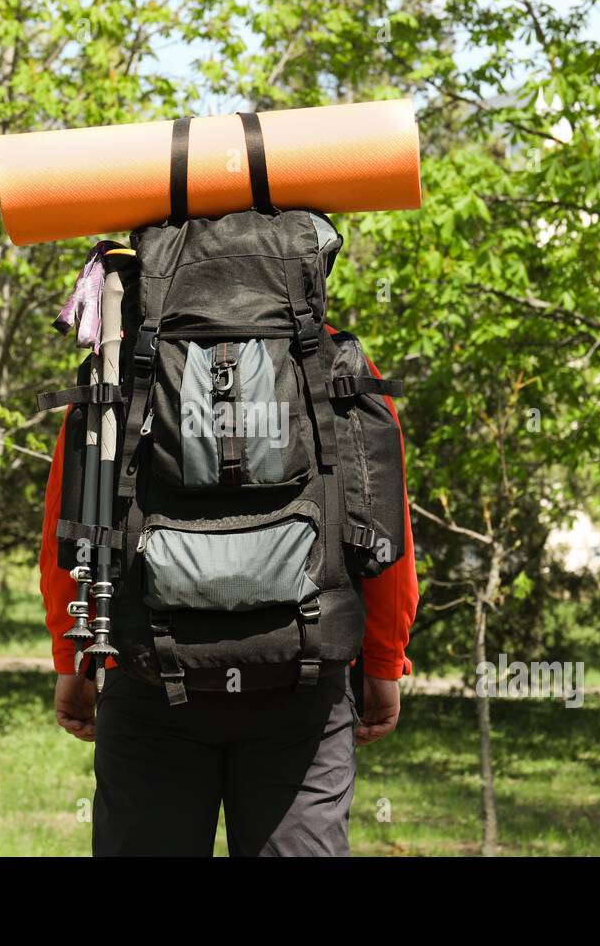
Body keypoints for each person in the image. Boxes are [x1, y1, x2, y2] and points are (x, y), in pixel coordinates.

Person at [38, 342, 419, 856]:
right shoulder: (328, 355)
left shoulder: (124, 361)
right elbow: (382, 525)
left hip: (150, 681)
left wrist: (74, 661)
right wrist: (383, 664)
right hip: (301, 688)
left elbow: (72, 527)